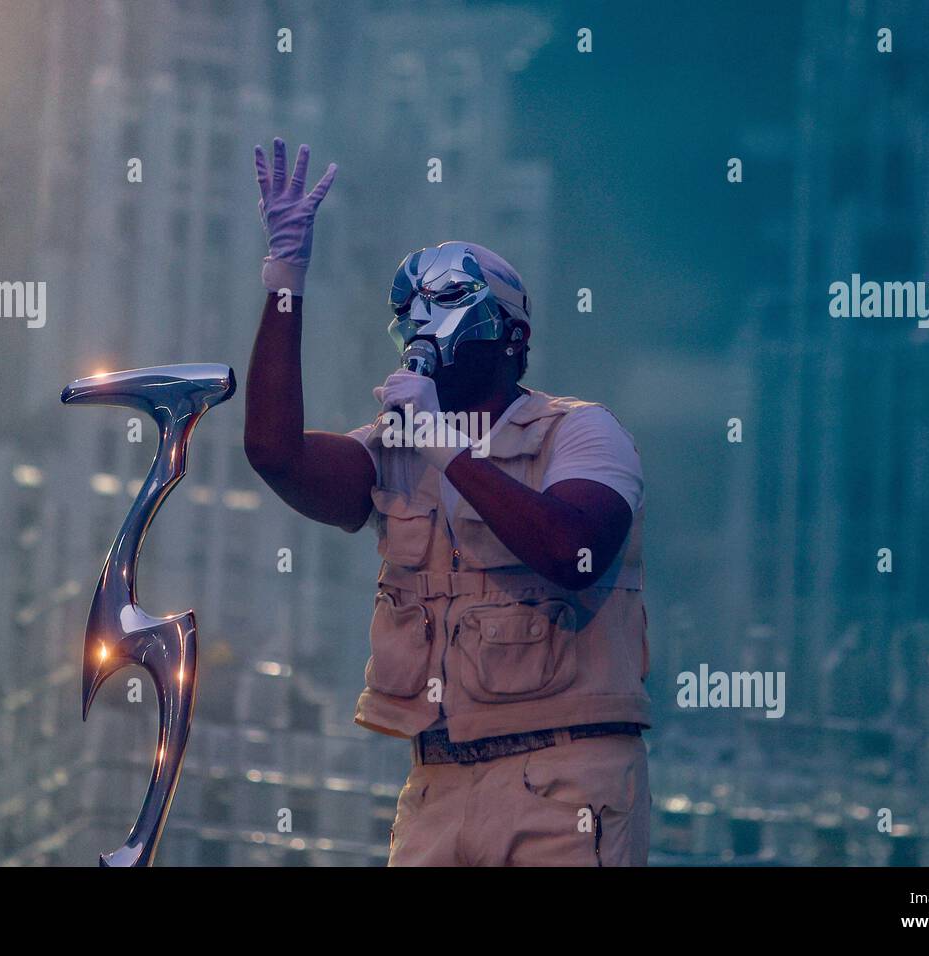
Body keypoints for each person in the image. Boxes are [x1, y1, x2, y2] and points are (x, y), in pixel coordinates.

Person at [244, 138, 652, 866]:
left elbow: (574, 552)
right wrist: (285, 278)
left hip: (565, 784)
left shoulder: (581, 432)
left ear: (510, 333)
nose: (423, 321)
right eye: (410, 306)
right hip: (436, 784)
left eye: (451, 302)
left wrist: (444, 443)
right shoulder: (397, 448)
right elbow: (276, 454)